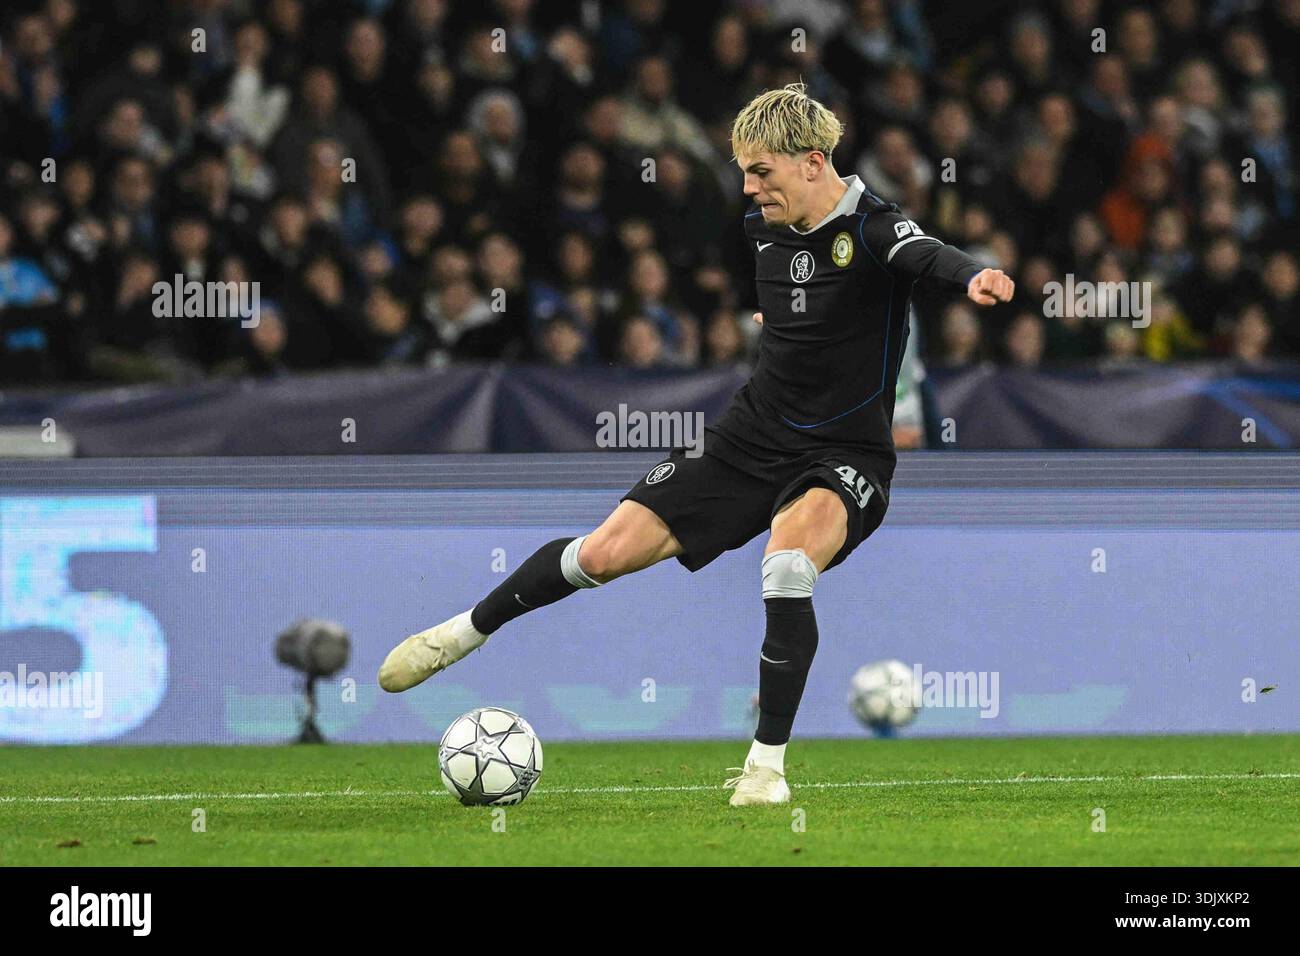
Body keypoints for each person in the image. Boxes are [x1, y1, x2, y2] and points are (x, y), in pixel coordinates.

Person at [377, 83, 1014, 805]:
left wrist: (977, 275)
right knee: (602, 554)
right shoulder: (761, 229)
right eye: (743, 170)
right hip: (750, 437)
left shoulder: (873, 228)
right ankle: (463, 634)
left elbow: (927, 255)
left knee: (787, 564)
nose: (748, 187)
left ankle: (765, 771)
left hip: (844, 455)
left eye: (760, 171)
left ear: (811, 162)